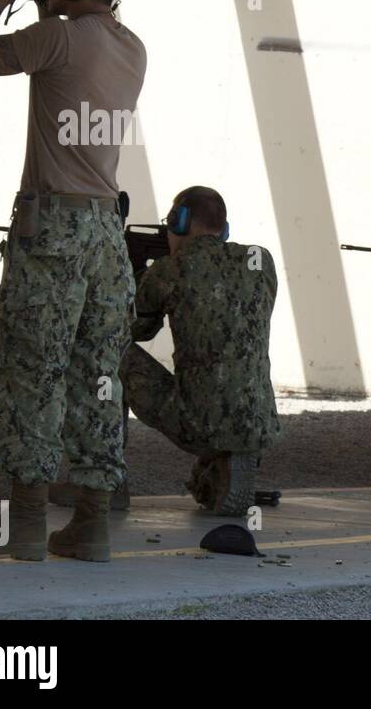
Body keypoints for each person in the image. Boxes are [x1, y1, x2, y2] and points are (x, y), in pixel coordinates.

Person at [0, 0, 145, 563]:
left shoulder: (55, 38)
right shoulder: (133, 48)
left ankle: (27, 522)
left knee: (33, 373)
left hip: (53, 228)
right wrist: (48, 1)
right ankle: (90, 525)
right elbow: (69, 62)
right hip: (106, 237)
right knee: (97, 378)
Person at [123, 187, 281, 516]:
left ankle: (104, 484)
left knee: (110, 354)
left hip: (199, 422)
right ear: (224, 229)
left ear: (180, 221)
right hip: (258, 419)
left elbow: (134, 329)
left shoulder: (170, 270)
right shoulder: (260, 260)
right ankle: (222, 464)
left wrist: (134, 276)